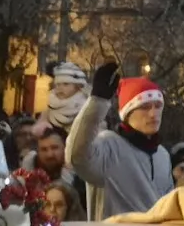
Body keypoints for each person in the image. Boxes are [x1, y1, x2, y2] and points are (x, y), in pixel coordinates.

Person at [66, 63, 174, 220]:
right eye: (145, 107)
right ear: (127, 113)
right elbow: (76, 155)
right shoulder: (108, 146)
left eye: (158, 106)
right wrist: (97, 102)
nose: (153, 114)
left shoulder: (162, 155)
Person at [32, 62, 89, 136]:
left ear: (77, 87)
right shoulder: (51, 106)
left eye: (66, 84)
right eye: (58, 84)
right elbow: (40, 124)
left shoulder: (84, 106)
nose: (60, 88)